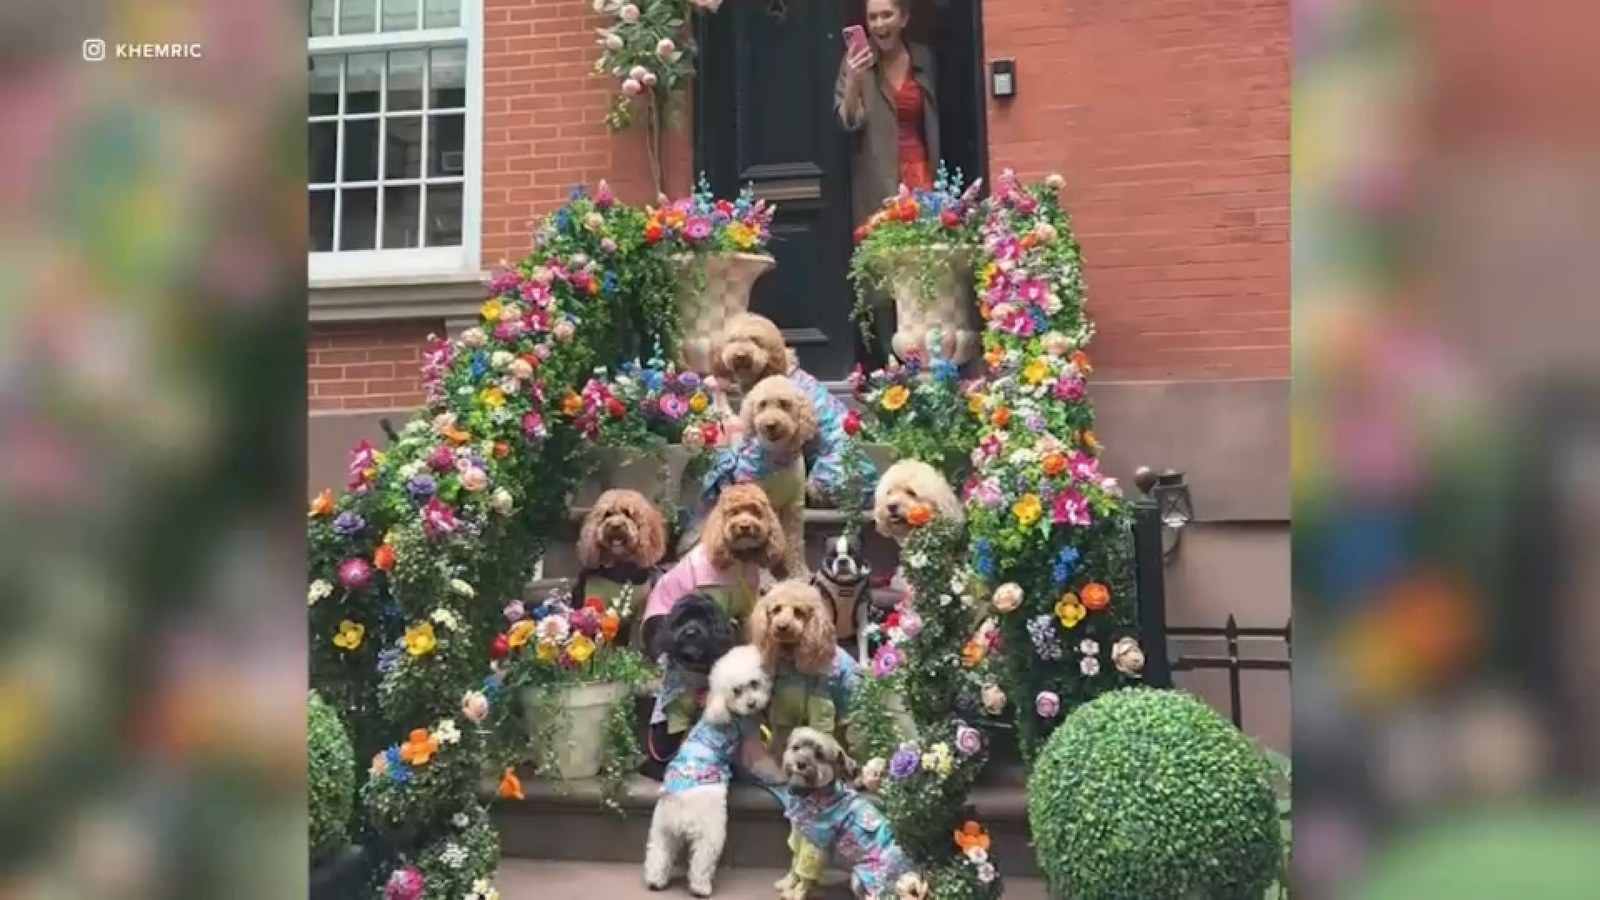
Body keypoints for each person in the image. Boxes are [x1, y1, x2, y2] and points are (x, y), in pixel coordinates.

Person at [835, 0, 941, 362]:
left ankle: (928, 361)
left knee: (923, 271)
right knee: (882, 279)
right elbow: (848, 121)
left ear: (904, 18)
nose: (879, 24)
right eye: (872, 17)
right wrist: (852, 77)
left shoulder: (923, 59)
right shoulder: (857, 63)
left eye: (887, 15)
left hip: (921, 176)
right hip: (878, 179)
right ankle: (890, 365)